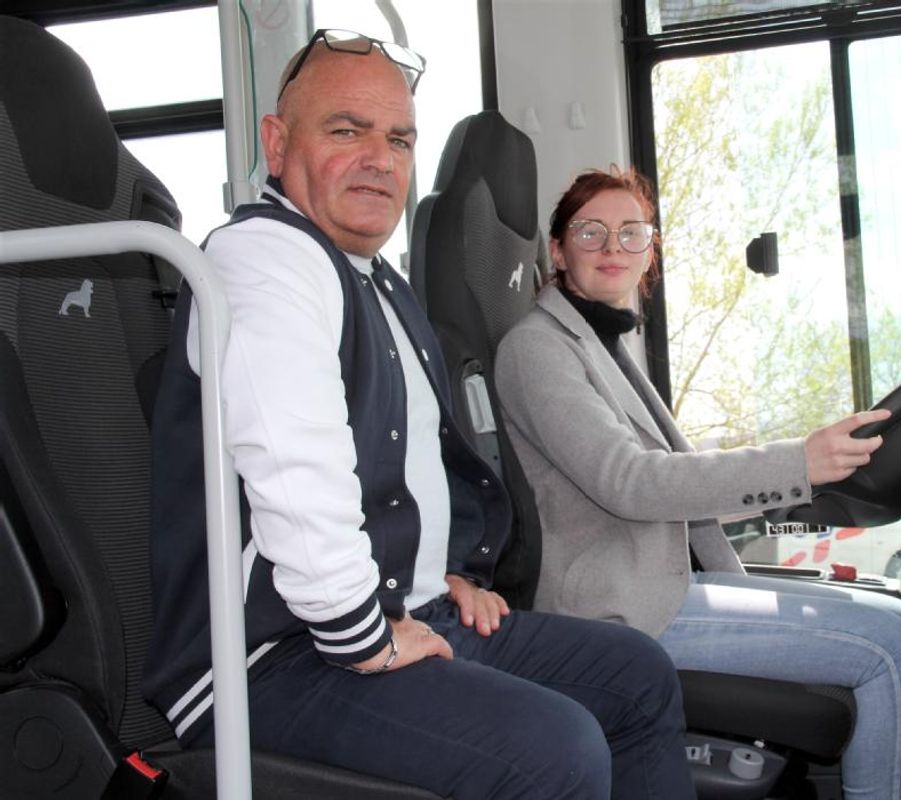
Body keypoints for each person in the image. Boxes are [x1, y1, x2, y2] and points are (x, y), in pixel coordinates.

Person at [142, 33, 696, 800]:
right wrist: (365, 635)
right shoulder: (264, 259)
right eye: (346, 130)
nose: (380, 157)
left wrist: (442, 573)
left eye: (398, 138)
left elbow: (403, 472)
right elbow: (295, 470)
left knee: (637, 675)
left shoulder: (379, 283)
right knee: (554, 749)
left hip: (392, 603)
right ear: (276, 144)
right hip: (272, 655)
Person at [494, 166, 901, 800]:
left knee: (900, 616)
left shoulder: (601, 339)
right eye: (591, 232)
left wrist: (757, 561)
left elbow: (680, 488)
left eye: (630, 232)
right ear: (558, 250)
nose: (613, 248)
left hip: (668, 579)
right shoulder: (538, 348)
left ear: (649, 250)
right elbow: (633, 483)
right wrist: (795, 465)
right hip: (621, 605)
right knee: (890, 645)